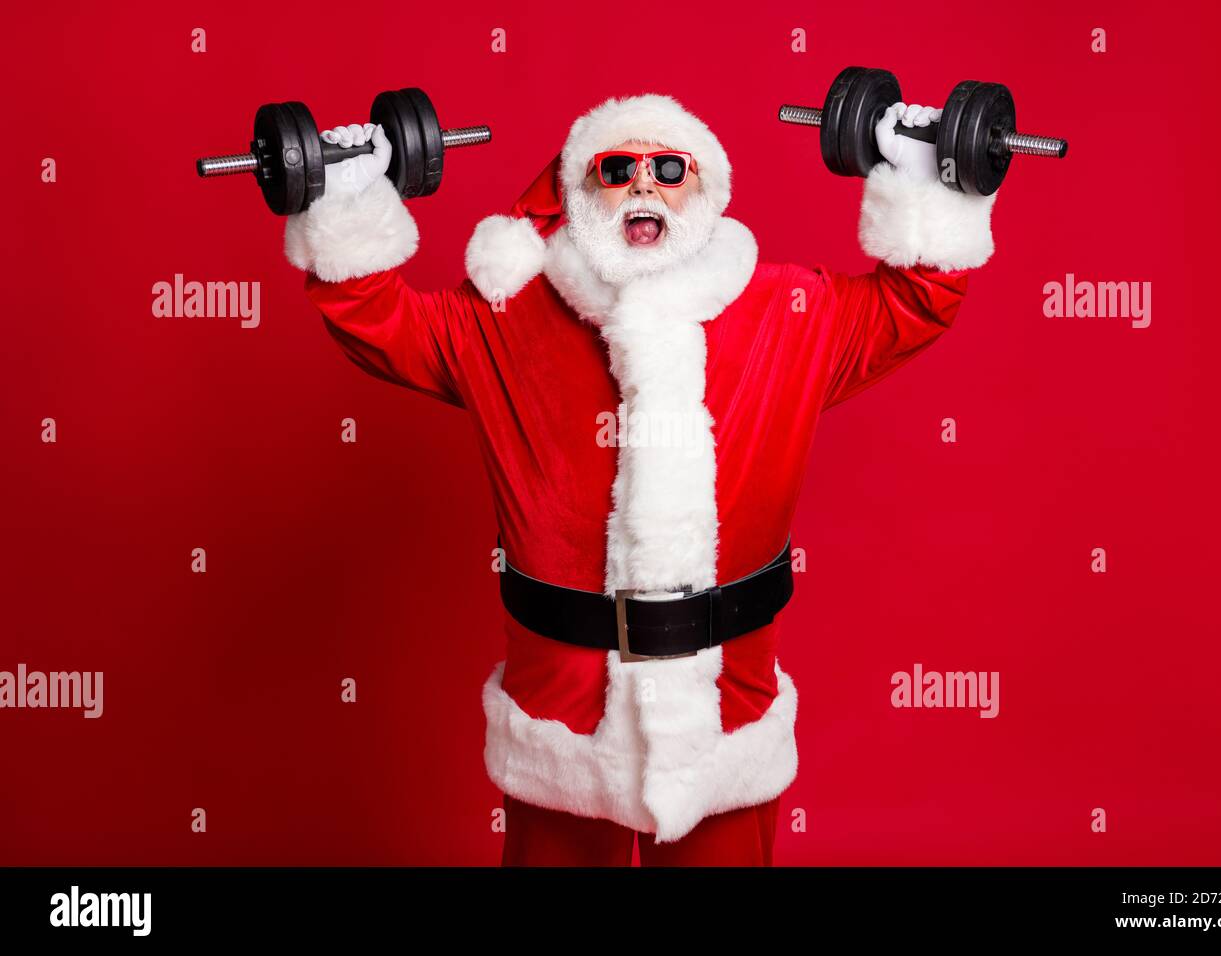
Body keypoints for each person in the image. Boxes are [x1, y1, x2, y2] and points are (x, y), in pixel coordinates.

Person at [283, 92, 997, 865]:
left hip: (726, 709)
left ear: (708, 192)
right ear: (578, 195)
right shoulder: (503, 317)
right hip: (560, 710)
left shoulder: (791, 309)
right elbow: (374, 320)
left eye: (669, 169)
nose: (645, 187)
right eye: (617, 170)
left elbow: (917, 300)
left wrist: (932, 175)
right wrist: (346, 193)